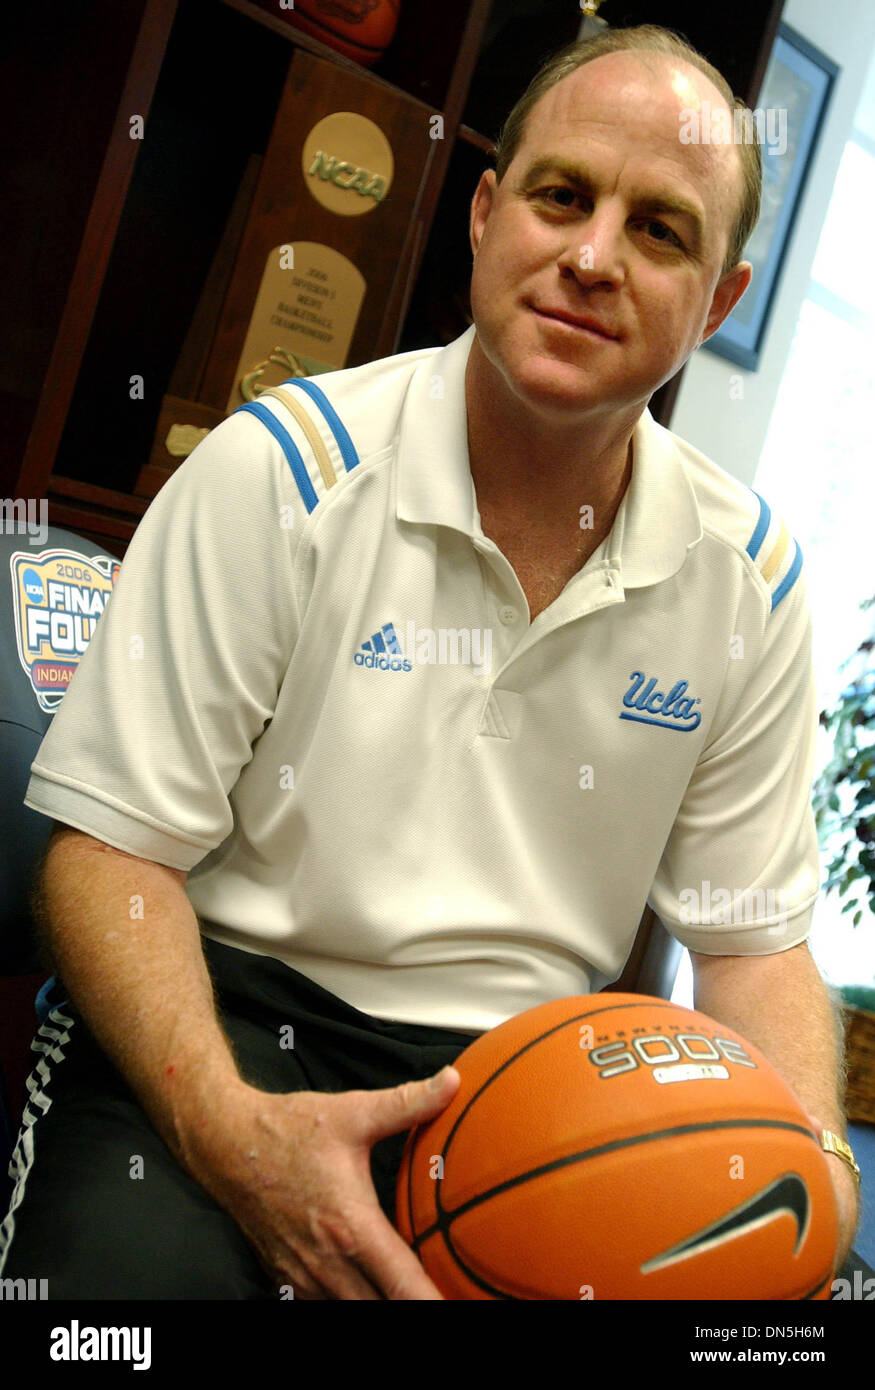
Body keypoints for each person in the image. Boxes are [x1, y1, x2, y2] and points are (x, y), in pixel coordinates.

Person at [0, 25, 860, 1299]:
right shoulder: (277, 473)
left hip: (534, 1082)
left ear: (719, 299)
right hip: (220, 1011)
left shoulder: (750, 578)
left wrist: (819, 1164)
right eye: (562, 196)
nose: (590, 257)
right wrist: (233, 1133)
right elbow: (107, 859)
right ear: (484, 211)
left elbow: (751, 948)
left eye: (659, 230)